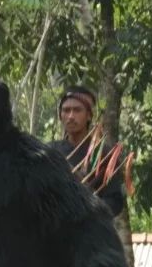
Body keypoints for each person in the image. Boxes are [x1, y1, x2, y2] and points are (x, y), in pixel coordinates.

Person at [47, 86, 125, 217]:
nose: (71, 116)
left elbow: (115, 201)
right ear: (60, 115)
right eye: (66, 110)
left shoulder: (104, 154)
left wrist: (89, 207)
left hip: (90, 231)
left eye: (77, 110)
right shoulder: (50, 152)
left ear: (89, 115)